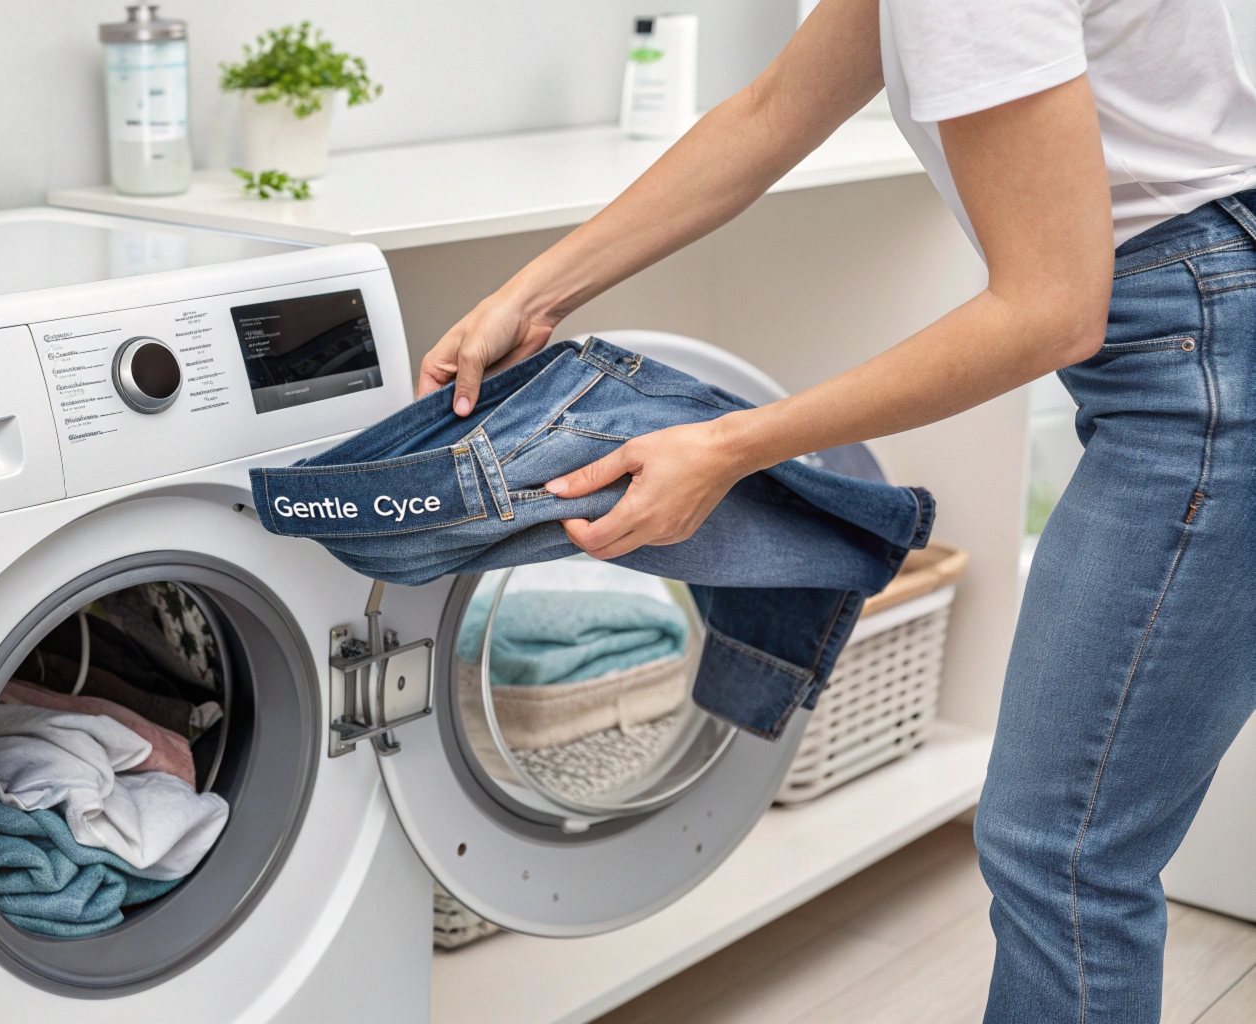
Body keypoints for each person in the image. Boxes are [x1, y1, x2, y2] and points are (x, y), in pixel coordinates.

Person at [418, 0, 1256, 1019]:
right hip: (1202, 329)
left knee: (1067, 856)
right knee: (1073, 847)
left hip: (1202, 359)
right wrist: (535, 293)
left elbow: (1050, 306)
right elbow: (773, 110)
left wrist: (727, 448)